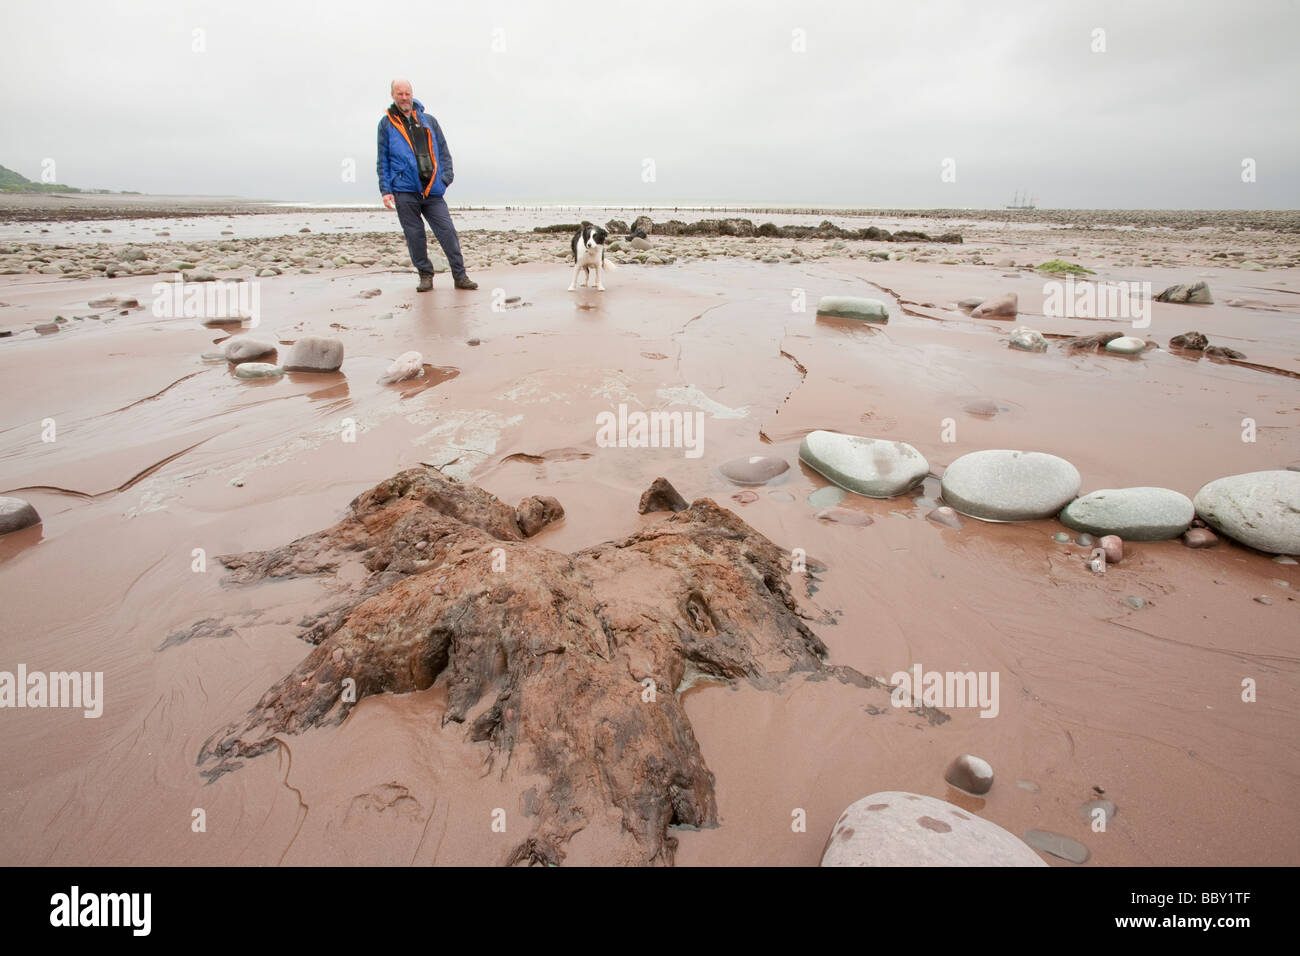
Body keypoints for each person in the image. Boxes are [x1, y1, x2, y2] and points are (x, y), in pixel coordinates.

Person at [377, 79, 477, 291]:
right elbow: (382, 159)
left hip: (433, 189)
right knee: (415, 236)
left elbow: (443, 150)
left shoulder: (429, 120)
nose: (404, 97)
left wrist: (446, 177)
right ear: (393, 95)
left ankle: (460, 276)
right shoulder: (386, 124)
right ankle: (425, 275)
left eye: (407, 93)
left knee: (447, 232)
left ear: (412, 94)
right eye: (399, 93)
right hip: (404, 190)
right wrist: (386, 190)